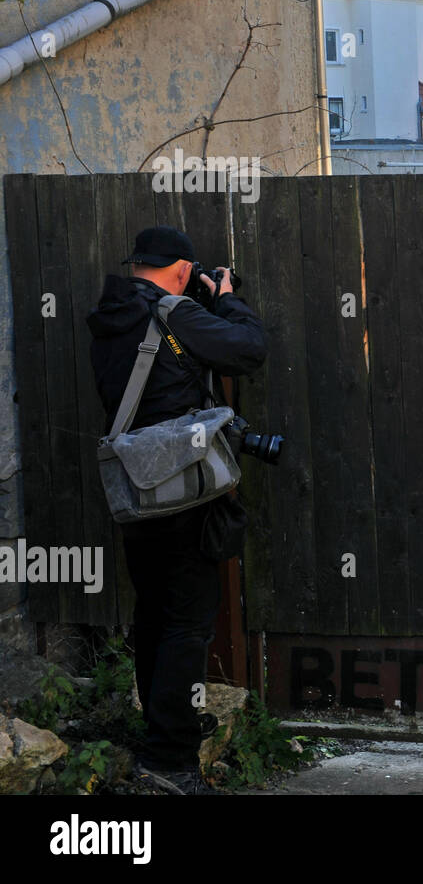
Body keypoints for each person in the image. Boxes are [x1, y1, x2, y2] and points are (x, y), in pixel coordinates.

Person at [87, 225, 267, 795]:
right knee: (188, 622)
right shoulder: (173, 315)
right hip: (183, 488)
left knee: (155, 614)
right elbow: (248, 349)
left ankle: (165, 728)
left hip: (137, 488)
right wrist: (229, 297)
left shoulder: (110, 312)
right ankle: (169, 761)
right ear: (184, 270)